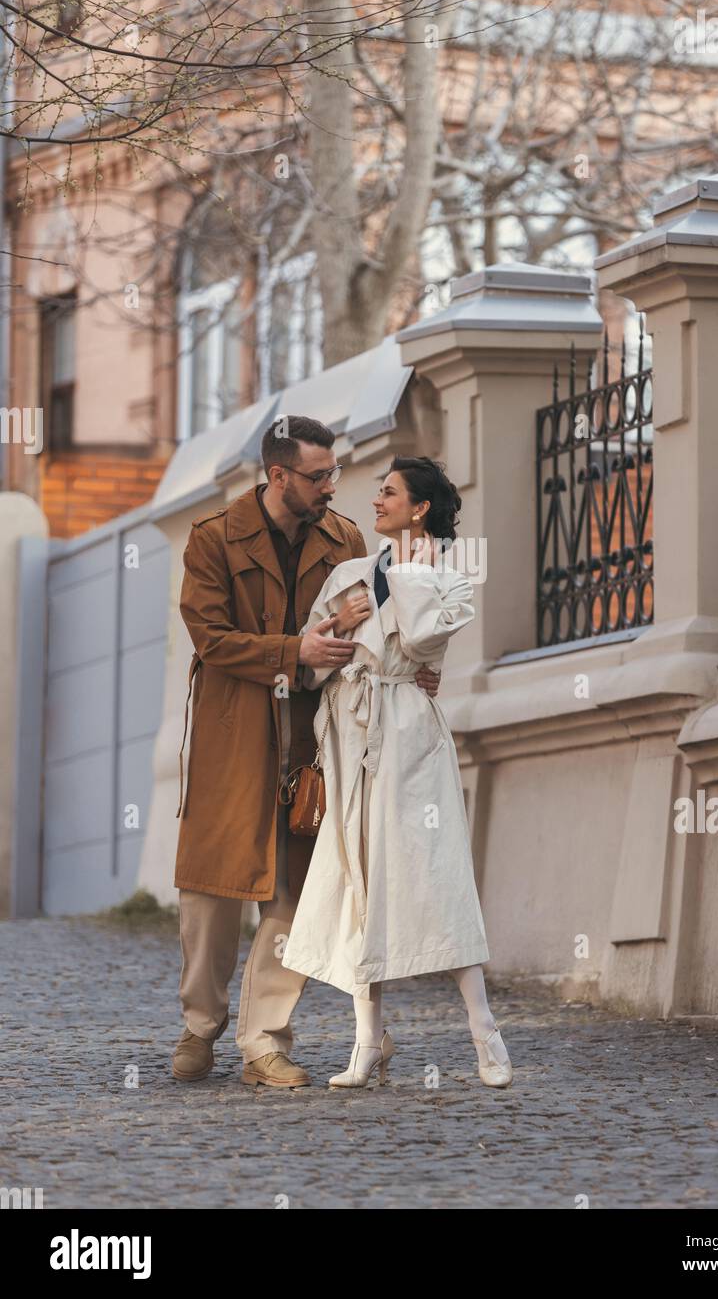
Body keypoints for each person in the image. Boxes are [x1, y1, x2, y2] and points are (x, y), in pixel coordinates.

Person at [171, 416, 441, 1087]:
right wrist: (295, 650)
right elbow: (212, 638)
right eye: (318, 476)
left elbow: (377, 627)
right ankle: (198, 1027)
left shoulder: (344, 538)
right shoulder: (212, 541)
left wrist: (411, 668)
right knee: (211, 895)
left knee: (293, 896)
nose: (332, 486)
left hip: (313, 739)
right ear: (279, 475)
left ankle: (263, 1042)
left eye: (334, 474)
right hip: (230, 736)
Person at [281, 456, 513, 1089]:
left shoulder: (451, 581)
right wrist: (339, 625)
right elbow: (310, 661)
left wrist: (403, 575)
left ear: (420, 509)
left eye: (389, 493)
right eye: (377, 491)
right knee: (360, 879)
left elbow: (419, 643)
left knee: (437, 875)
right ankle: (364, 1045)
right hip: (350, 733)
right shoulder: (348, 574)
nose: (375, 501)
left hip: (410, 738)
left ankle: (484, 1031)